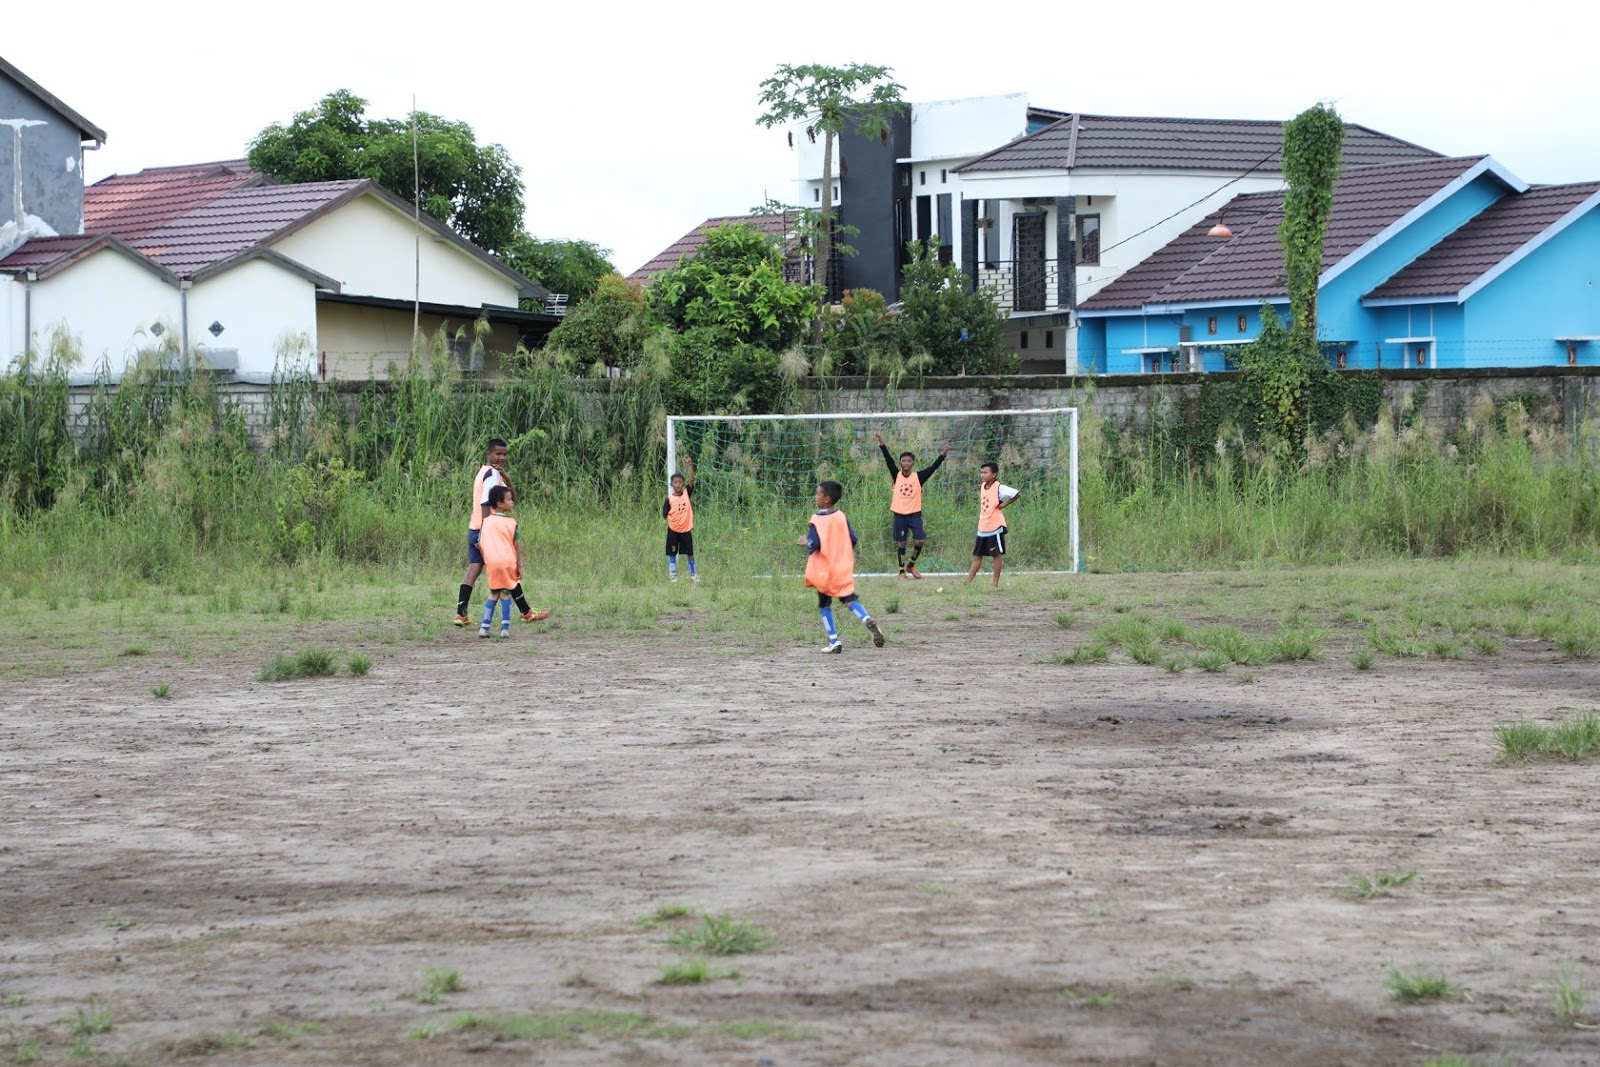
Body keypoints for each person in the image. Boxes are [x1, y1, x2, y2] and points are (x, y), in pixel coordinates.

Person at [452, 438, 550, 627]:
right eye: (498, 453)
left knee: (474, 569)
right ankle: (526, 612)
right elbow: (485, 503)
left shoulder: (488, 473)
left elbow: (512, 498)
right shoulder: (491, 475)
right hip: (486, 532)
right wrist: (486, 532)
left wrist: (508, 479)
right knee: (508, 566)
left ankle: (460, 614)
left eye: (504, 454)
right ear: (488, 454)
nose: (502, 457)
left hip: (475, 528)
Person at [800, 480, 887, 654]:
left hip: (824, 571)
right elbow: (853, 539)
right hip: (841, 568)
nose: (815, 497)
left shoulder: (816, 519)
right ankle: (866, 618)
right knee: (849, 599)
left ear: (827, 499)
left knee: (824, 604)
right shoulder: (841, 516)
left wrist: (805, 542)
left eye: (818, 494)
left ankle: (834, 641)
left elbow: (814, 544)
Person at [873, 429, 950, 579]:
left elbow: (933, 467)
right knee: (901, 544)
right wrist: (880, 440)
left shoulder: (919, 477)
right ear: (900, 463)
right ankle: (902, 571)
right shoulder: (896, 475)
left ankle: (911, 565)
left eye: (909, 460)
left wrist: (943, 453)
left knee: (919, 540)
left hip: (914, 514)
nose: (906, 463)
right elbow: (888, 458)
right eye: (904, 460)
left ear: (913, 463)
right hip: (899, 515)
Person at [965, 461, 1021, 588]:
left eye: (985, 472)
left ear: (994, 474)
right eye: (981, 472)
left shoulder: (999, 488)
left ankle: (995, 584)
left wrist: (1002, 505)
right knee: (977, 556)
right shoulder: (983, 486)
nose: (982, 475)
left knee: (996, 555)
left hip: (995, 527)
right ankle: (967, 583)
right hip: (983, 526)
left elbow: (1017, 494)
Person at [477, 486, 521, 638]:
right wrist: (519, 566)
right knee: (506, 594)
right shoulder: (511, 523)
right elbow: (516, 546)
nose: (512, 502)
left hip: (492, 563)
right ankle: (504, 629)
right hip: (508, 562)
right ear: (500, 503)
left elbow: (480, 543)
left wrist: (487, 560)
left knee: (494, 593)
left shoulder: (486, 522)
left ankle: (484, 627)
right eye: (509, 499)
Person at [663, 455, 698, 583]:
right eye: (675, 482)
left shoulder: (686, 494)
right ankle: (673, 574)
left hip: (686, 529)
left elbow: (692, 480)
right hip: (673, 530)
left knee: (690, 552)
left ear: (683, 484)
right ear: (671, 484)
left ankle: (693, 574)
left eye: (680, 482)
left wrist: (690, 465)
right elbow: (664, 514)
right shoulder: (669, 499)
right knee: (672, 552)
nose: (678, 484)